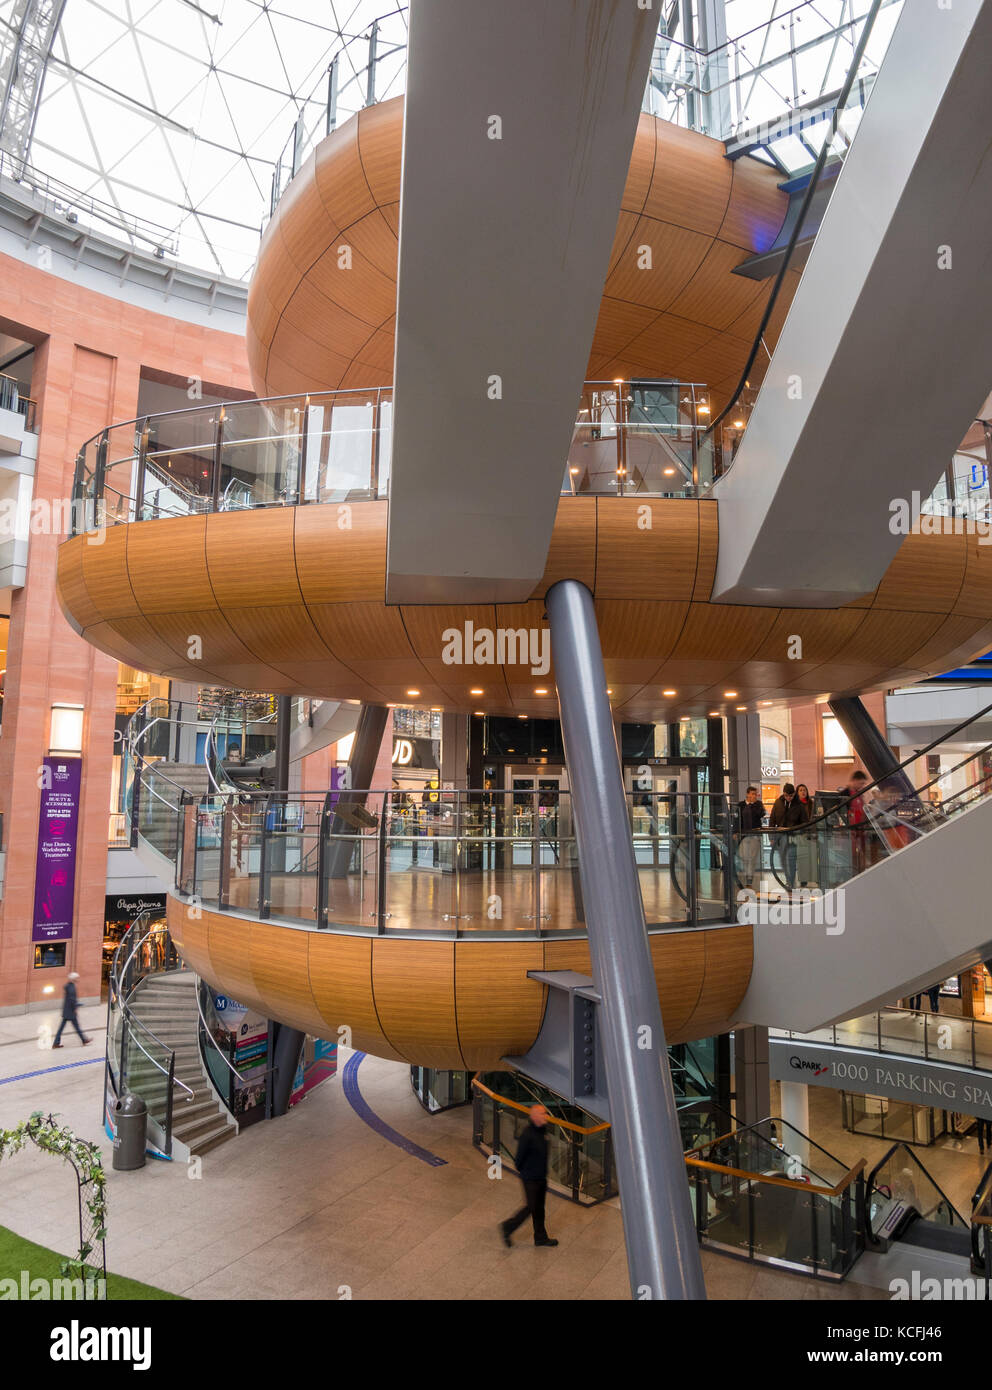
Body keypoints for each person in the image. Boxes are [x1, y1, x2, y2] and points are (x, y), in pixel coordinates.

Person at [500, 1104, 559, 1248]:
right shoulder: (527, 1135)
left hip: (541, 1178)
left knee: (539, 1209)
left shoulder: (543, 1131)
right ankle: (508, 1227)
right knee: (531, 1207)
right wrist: (527, 1172)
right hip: (530, 1179)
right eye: (543, 1114)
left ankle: (540, 1238)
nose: (546, 1116)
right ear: (534, 1117)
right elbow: (518, 1160)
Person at [769, 783, 808, 890]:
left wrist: (801, 832)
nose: (789, 798)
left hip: (794, 836)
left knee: (790, 859)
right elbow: (772, 820)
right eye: (786, 795)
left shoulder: (799, 805)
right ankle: (789, 881)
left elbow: (805, 821)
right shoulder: (778, 803)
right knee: (783, 860)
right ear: (783, 793)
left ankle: (790, 883)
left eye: (791, 796)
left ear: (794, 794)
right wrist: (771, 837)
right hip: (780, 836)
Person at [52, 972, 91, 1049]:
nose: (78, 979)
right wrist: (76, 1006)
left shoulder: (68, 986)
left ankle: (56, 1043)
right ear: (74, 979)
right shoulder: (72, 988)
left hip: (67, 1010)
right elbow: (72, 999)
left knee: (62, 1028)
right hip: (70, 1011)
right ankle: (84, 1040)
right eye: (77, 978)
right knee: (76, 1027)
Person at [737, 786, 764, 888]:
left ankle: (749, 880)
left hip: (755, 835)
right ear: (747, 794)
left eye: (755, 794)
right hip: (743, 835)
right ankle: (745, 875)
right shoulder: (741, 805)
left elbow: (761, 814)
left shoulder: (758, 805)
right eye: (752, 794)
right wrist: (736, 832)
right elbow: (737, 819)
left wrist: (753, 805)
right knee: (743, 856)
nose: (754, 796)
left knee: (752, 858)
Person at [794, 783, 817, 887]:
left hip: (812, 834)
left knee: (813, 857)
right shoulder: (795, 805)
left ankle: (815, 878)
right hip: (801, 834)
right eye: (800, 790)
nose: (803, 792)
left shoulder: (812, 804)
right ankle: (803, 879)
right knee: (803, 858)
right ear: (797, 793)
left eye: (804, 790)